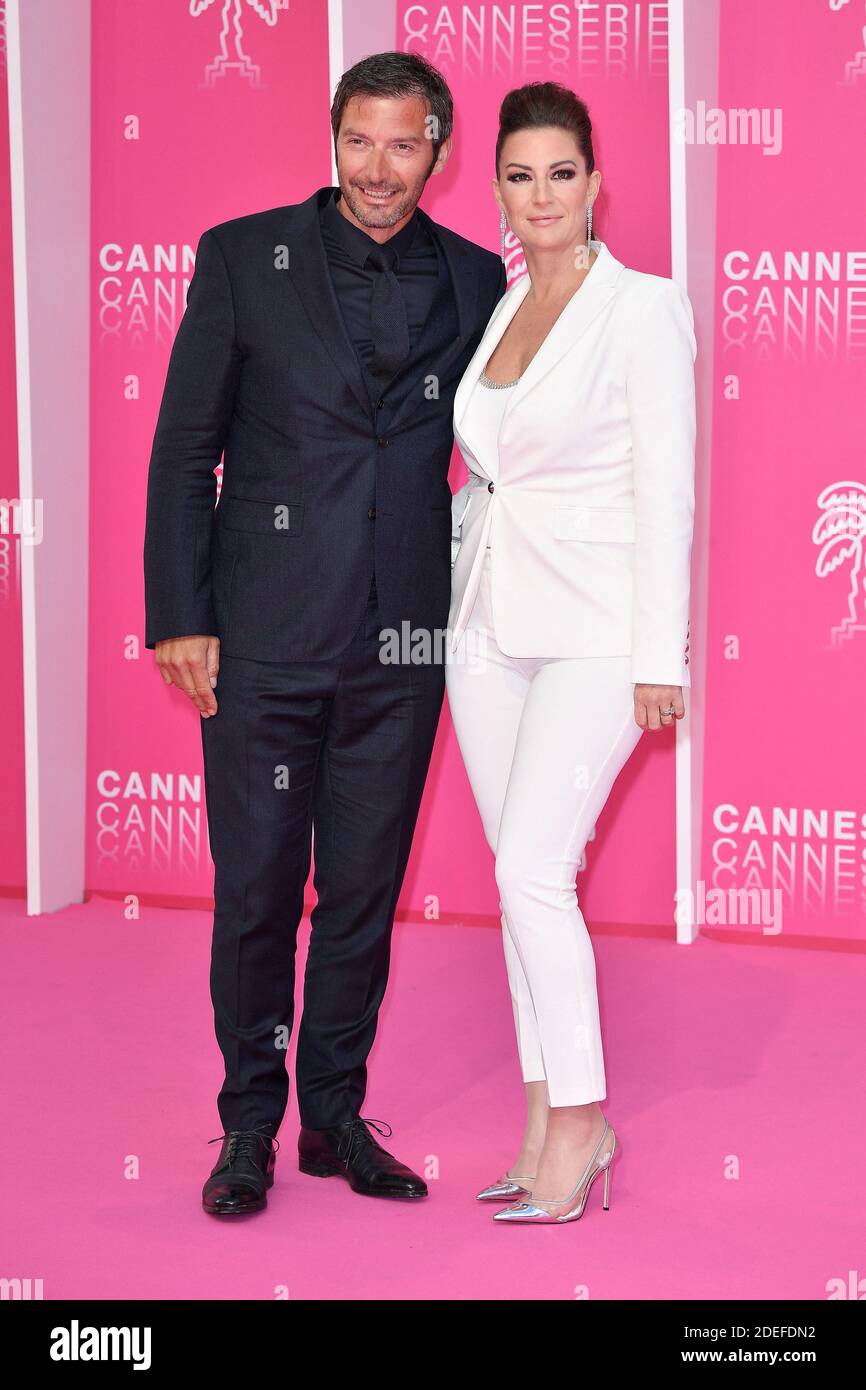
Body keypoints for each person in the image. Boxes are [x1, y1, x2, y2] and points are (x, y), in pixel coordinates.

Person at [143, 51, 505, 1216]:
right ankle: (247, 1125)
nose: (380, 167)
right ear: (333, 140)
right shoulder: (245, 256)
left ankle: (332, 1119)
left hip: (401, 647)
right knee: (255, 890)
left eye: (405, 144)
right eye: (360, 141)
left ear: (437, 152)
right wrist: (180, 618)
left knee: (359, 894)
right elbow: (182, 449)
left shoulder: (474, 277)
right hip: (259, 642)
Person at [446, 82, 697, 1225]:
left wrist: (662, 655)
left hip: (598, 633)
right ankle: (542, 1115)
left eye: (560, 173)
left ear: (593, 184)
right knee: (517, 890)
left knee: (528, 874)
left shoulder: (642, 306)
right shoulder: (501, 303)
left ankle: (585, 1124)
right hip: (488, 627)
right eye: (517, 174)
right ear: (496, 186)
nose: (539, 195)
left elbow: (667, 488)